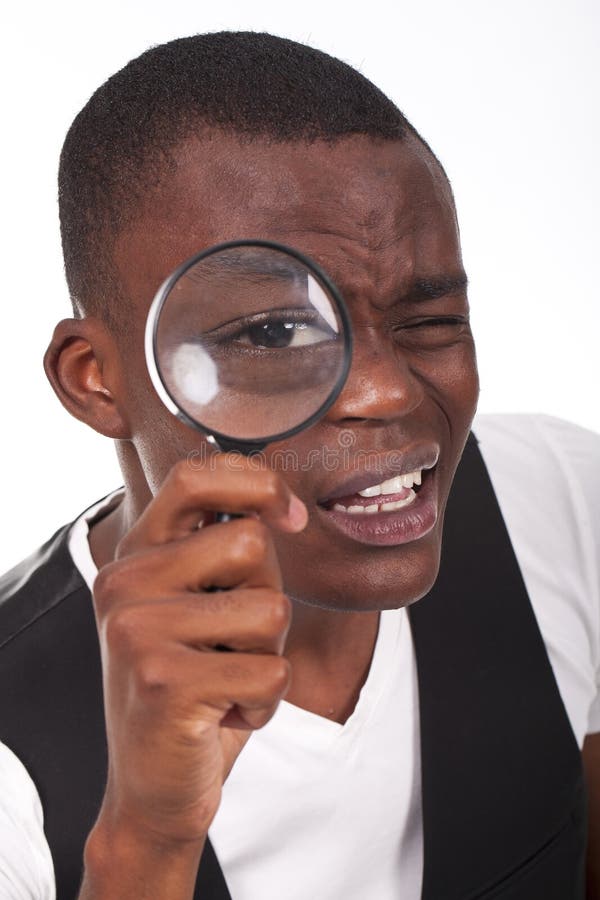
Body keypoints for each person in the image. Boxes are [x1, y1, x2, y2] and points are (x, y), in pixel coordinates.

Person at [0, 31, 598, 900]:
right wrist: (146, 840)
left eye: (430, 322)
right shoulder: (13, 761)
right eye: (273, 334)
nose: (387, 392)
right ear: (97, 381)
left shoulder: (558, 498)